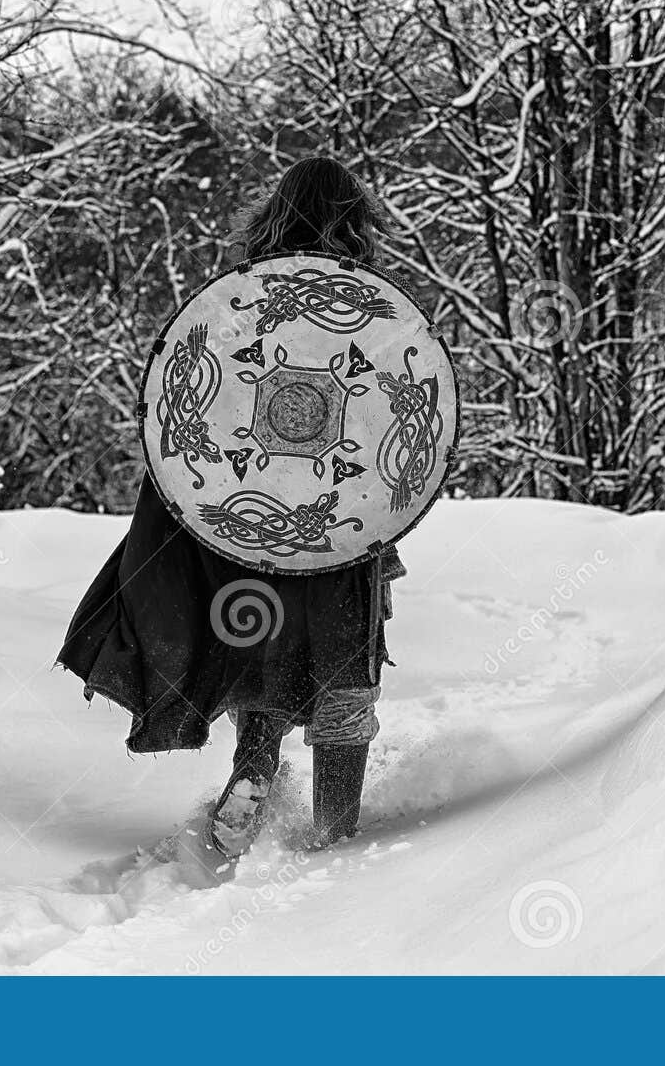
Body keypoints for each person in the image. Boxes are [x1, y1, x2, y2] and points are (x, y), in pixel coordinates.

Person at [57, 156, 406, 858]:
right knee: (343, 661)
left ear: (273, 213)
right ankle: (336, 837)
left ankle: (253, 768)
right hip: (341, 523)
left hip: (248, 521)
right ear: (356, 219)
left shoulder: (237, 300)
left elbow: (199, 408)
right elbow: (394, 417)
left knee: (267, 644)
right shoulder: (367, 306)